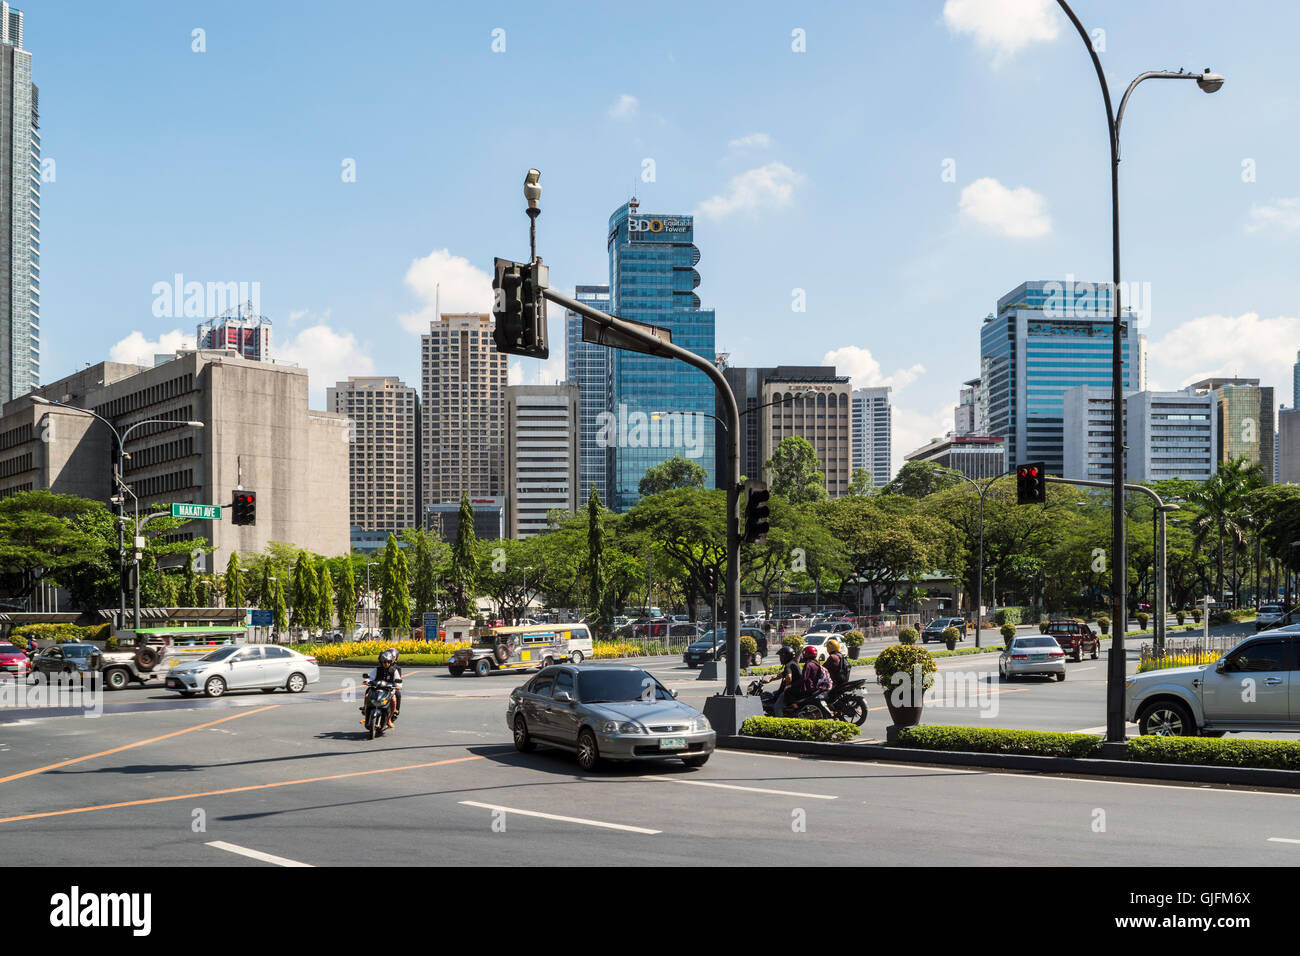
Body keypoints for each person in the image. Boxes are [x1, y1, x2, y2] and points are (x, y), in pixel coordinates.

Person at [361, 647, 403, 728]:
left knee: (394, 700)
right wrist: (367, 681)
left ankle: (389, 719)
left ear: (390, 662)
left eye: (388, 662)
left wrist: (397, 686)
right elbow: (371, 677)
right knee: (367, 695)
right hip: (376, 689)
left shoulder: (394, 670)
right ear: (381, 662)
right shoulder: (377, 669)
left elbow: (398, 681)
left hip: (388, 690)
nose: (386, 664)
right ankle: (366, 711)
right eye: (384, 662)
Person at [761, 646, 801, 717]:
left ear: (785, 656)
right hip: (797, 688)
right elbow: (781, 675)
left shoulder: (788, 665)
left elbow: (789, 676)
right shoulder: (793, 663)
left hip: (792, 691)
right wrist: (770, 679)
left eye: (781, 656)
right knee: (774, 694)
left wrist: (787, 686)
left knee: (777, 707)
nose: (780, 659)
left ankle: (780, 720)